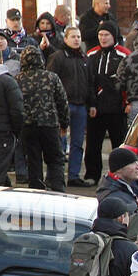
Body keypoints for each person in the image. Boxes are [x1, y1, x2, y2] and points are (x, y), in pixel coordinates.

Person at [14, 47, 69, 192]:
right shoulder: (51, 77)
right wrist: (64, 124)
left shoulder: (17, 79)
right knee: (56, 159)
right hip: (49, 124)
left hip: (27, 127)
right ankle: (58, 190)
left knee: (33, 161)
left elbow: (14, 105)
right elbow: (62, 102)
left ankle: (36, 192)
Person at [83, 22, 128, 185]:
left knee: (119, 144)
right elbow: (88, 81)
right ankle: (92, 175)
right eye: (100, 35)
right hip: (96, 109)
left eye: (106, 35)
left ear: (114, 36)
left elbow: (128, 82)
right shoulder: (91, 54)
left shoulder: (124, 55)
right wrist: (91, 104)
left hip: (117, 109)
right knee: (93, 144)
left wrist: (126, 102)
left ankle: (119, 175)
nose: (103, 38)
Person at [47, 27, 92, 187]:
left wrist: (91, 103)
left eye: (78, 36)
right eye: (73, 36)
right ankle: (54, 176)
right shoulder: (58, 57)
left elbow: (90, 83)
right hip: (61, 106)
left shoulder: (85, 59)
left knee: (78, 144)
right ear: (65, 39)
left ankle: (74, 175)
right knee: (59, 143)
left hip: (80, 107)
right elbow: (50, 82)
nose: (76, 39)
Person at [96, 147, 138, 212]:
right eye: (133, 163)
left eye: (137, 162)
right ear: (119, 169)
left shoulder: (126, 184)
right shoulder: (116, 198)